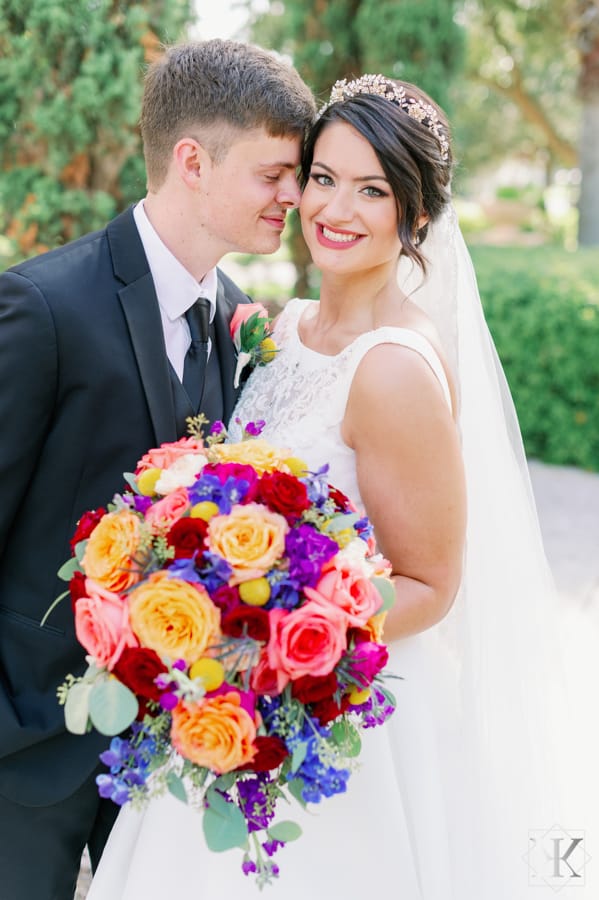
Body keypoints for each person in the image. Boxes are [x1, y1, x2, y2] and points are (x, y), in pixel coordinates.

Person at [88, 76, 595, 899]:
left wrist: (271, 634)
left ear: (417, 216)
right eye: (322, 177)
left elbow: (431, 584)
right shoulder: (280, 328)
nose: (335, 208)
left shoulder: (393, 368)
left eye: (373, 190)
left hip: (333, 716)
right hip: (231, 700)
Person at [0, 38, 315, 900]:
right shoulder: (44, 306)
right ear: (192, 162)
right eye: (273, 173)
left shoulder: (229, 319)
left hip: (159, 761)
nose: (293, 195)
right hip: (22, 759)